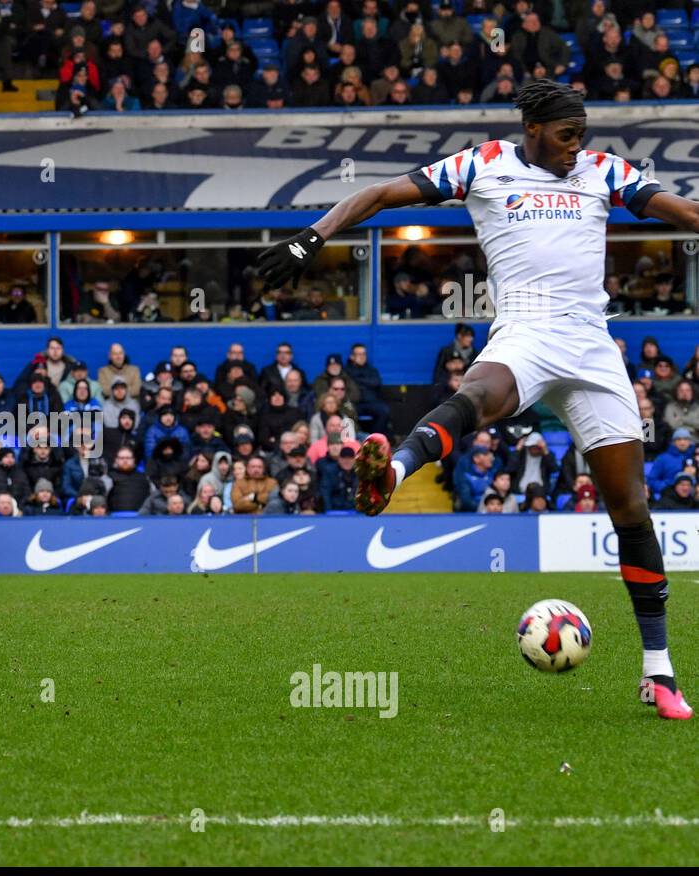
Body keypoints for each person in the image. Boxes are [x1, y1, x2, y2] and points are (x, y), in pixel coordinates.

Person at [258, 78, 699, 717]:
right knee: (480, 392)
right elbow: (380, 193)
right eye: (567, 136)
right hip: (525, 327)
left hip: (594, 346)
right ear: (534, 131)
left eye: (582, 136)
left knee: (630, 508)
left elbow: (681, 211)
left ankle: (658, 673)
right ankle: (394, 471)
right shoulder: (484, 164)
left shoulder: (603, 170)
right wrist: (311, 236)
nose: (577, 148)